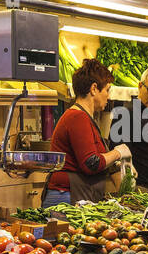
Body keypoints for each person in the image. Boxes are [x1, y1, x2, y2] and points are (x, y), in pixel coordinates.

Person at [44, 59, 131, 206]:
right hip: (66, 198)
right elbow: (91, 163)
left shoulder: (84, 118)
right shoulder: (77, 117)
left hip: (75, 195)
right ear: (94, 88)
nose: (109, 97)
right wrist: (118, 152)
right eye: (107, 90)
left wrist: (122, 166)